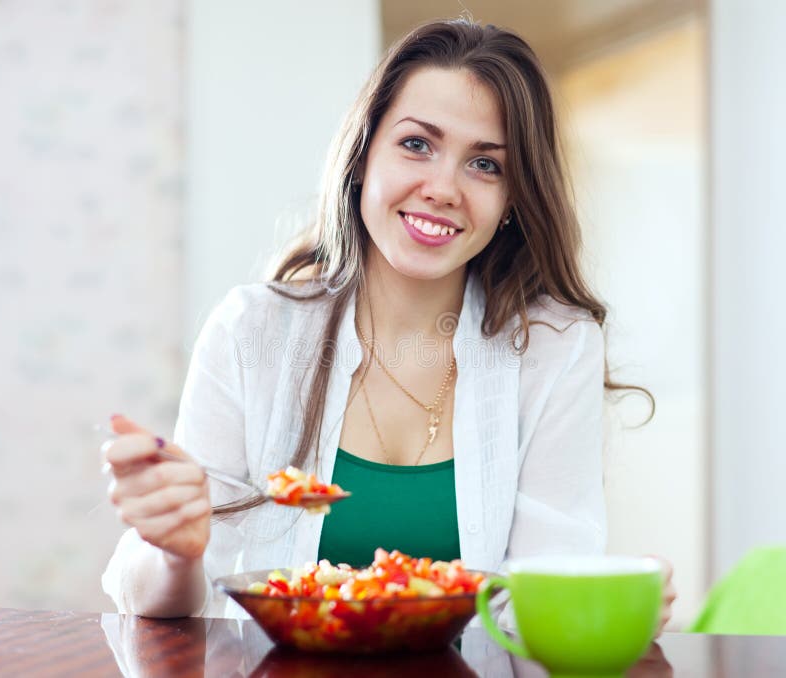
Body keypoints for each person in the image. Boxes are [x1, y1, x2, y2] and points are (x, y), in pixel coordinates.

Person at [101, 19, 676, 629]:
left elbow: (547, 584)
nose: (443, 189)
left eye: (485, 164)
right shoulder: (252, 331)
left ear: (513, 200)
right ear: (362, 157)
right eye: (417, 144)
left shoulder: (556, 346)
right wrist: (175, 551)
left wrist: (607, 602)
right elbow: (155, 599)